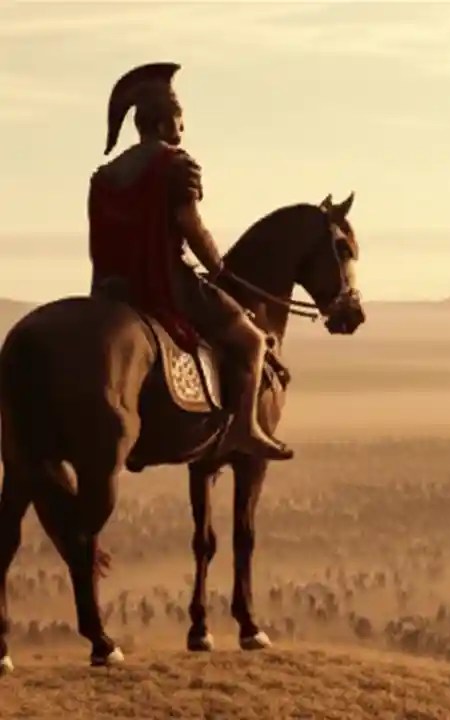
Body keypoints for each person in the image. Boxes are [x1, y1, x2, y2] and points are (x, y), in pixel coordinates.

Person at [88, 62, 293, 461]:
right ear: (165, 123)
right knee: (252, 340)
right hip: (166, 282)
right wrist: (218, 269)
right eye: (180, 118)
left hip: (113, 288)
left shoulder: (105, 175)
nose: (183, 127)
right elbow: (190, 224)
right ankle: (245, 429)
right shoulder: (176, 165)